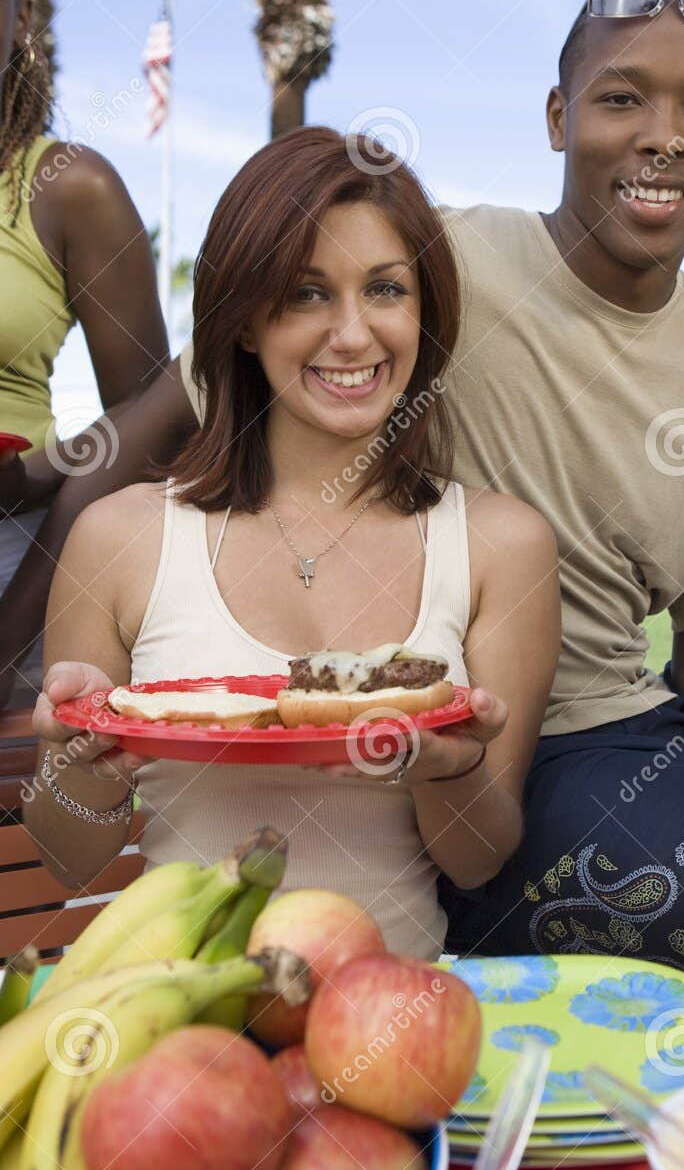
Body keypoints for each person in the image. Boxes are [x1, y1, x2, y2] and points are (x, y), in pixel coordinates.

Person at [26, 0, 684, 1038]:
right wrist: (44, 538)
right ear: (559, 117)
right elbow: (168, 416)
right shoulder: (430, 256)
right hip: (539, 759)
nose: (666, 136)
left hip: (638, 727)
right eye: (622, 99)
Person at [26, 128, 559, 958]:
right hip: (177, 1023)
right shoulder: (119, 539)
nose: (352, 336)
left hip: (395, 1033)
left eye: (385, 289)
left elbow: (480, 855)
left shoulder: (502, 545)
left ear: (426, 309)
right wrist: (82, 769)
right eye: (307, 294)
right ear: (242, 322)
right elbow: (69, 854)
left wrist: (445, 768)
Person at [0, 0, 169, 710]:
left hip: (13, 566)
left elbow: (157, 419)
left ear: (21, 14)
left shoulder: (71, 187)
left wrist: (39, 476)